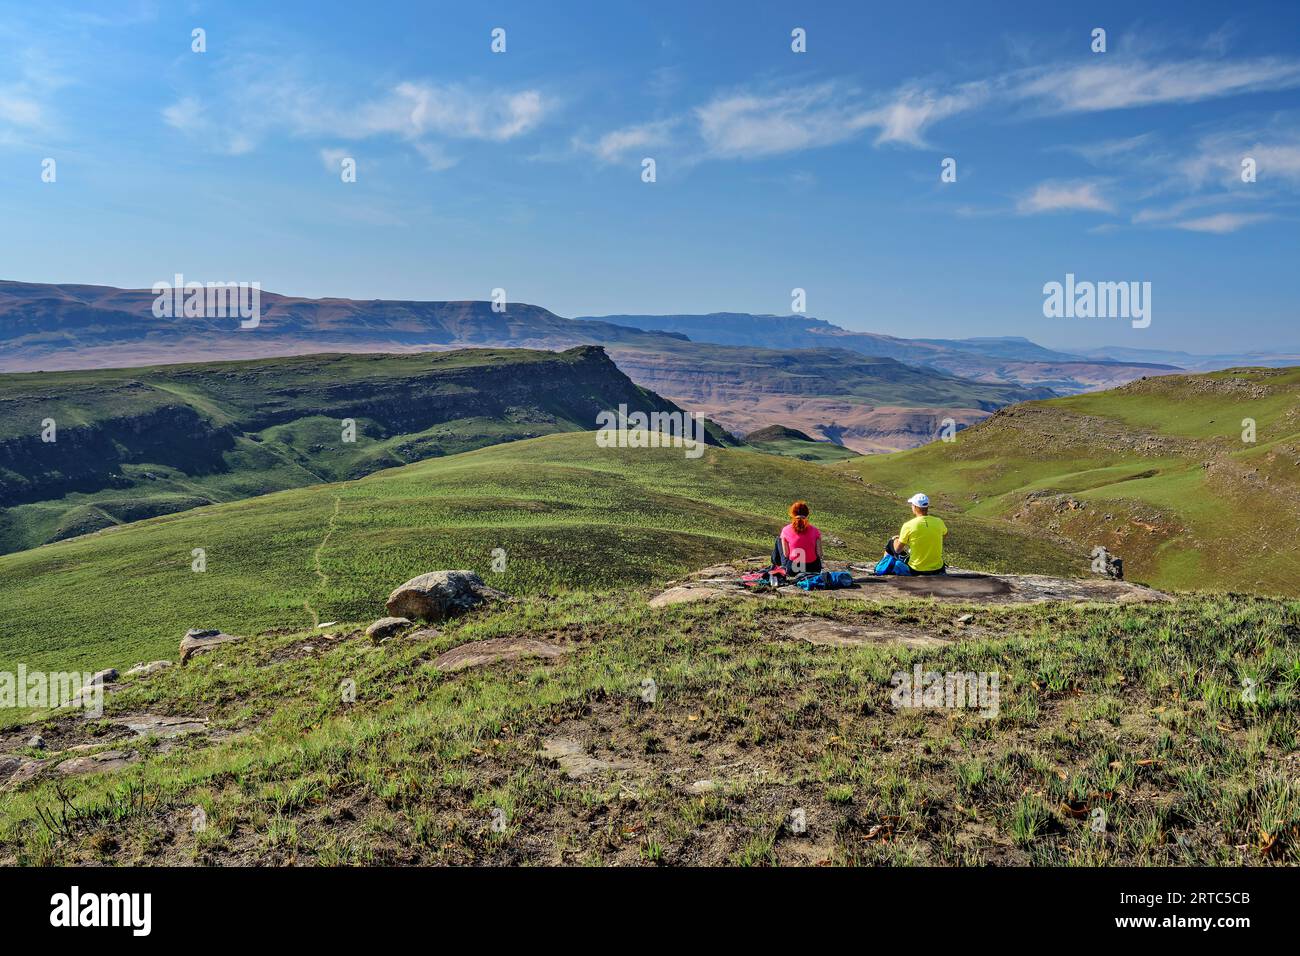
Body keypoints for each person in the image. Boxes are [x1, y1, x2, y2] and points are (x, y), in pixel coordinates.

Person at [886, 492, 947, 574]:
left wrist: (896, 539)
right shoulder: (939, 522)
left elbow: (897, 550)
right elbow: (945, 535)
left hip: (916, 569)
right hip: (938, 568)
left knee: (891, 543)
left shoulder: (908, 525)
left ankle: (884, 568)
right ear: (927, 507)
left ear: (914, 507)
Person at [772, 500, 823, 574]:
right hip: (813, 569)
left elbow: (786, 554)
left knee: (778, 539)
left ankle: (776, 563)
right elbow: (819, 554)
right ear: (807, 514)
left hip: (793, 570)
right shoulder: (815, 530)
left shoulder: (786, 530)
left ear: (792, 514)